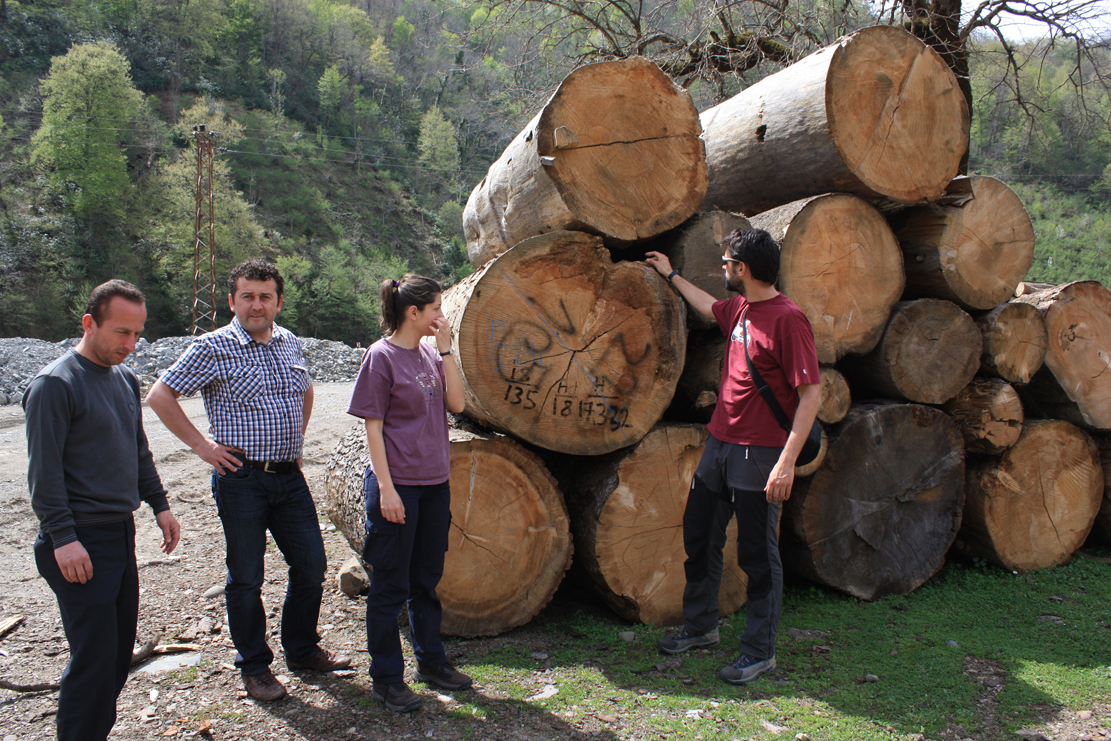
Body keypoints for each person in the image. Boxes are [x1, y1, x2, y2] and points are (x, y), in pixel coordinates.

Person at [146, 259, 350, 702]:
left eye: (265, 296)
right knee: (246, 578)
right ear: (232, 300)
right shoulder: (213, 347)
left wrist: (295, 440)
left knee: (312, 566)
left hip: (289, 476)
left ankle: (301, 650)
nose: (257, 305)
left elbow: (306, 390)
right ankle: (255, 667)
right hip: (241, 479)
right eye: (248, 296)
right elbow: (160, 395)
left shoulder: (289, 342)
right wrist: (203, 447)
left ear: (277, 301)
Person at [646, 228, 821, 685]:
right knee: (700, 536)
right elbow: (709, 306)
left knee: (757, 554)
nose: (723, 269)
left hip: (761, 453)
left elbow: (811, 397)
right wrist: (673, 275)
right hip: (720, 444)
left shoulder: (789, 319)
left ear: (742, 269)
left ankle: (759, 652)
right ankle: (701, 627)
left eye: (725, 263)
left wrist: (785, 462)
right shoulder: (742, 307)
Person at [25, 280, 181, 741]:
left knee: (114, 657)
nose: (130, 345)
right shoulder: (55, 384)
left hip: (118, 533)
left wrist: (160, 505)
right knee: (93, 659)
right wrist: (63, 538)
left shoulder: (124, 380)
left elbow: (137, 451)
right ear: (89, 323)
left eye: (137, 335)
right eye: (120, 333)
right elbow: (44, 475)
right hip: (79, 540)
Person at [347, 274, 471, 713]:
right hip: (397, 487)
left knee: (425, 582)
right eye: (436, 308)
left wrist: (447, 350)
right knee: (389, 586)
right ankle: (385, 680)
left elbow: (456, 404)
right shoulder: (380, 357)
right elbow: (373, 427)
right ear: (413, 313)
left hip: (434, 484)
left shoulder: (428, 353)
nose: (442, 315)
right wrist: (386, 489)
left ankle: (431, 663)